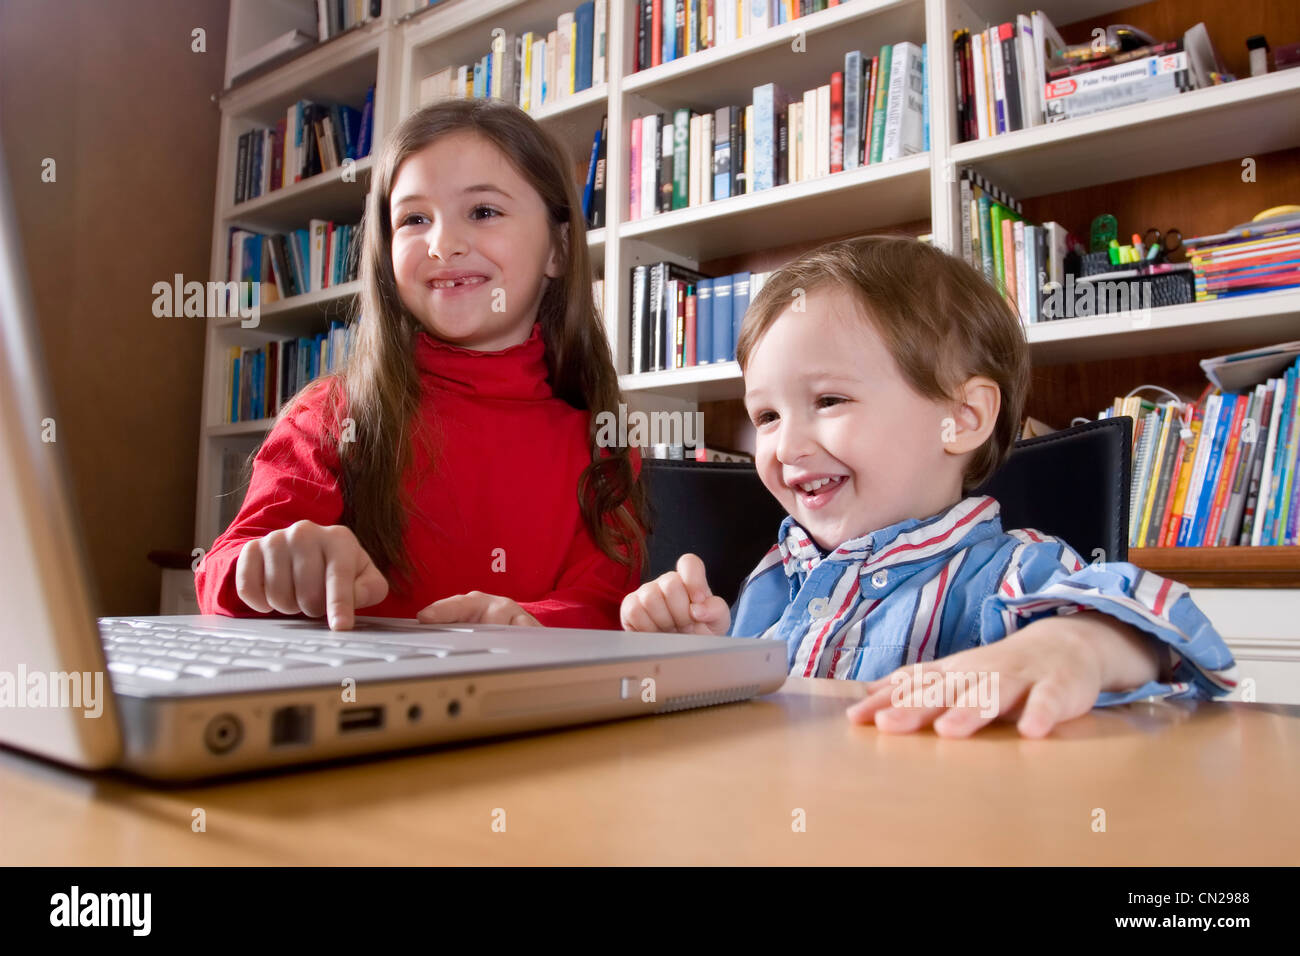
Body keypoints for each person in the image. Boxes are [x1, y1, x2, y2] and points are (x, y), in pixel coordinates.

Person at [620, 235, 1236, 737]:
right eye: (767, 417)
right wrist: (703, 657)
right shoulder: (775, 579)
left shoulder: (1010, 572)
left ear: (962, 418)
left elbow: (1164, 629)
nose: (786, 446)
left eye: (829, 400)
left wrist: (1074, 646)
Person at [196, 99, 646, 631]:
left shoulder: (604, 441)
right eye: (413, 219)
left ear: (560, 249)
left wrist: (527, 622)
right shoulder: (330, 415)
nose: (443, 245)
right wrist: (278, 565)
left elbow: (603, 603)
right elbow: (222, 571)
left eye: (482, 211)